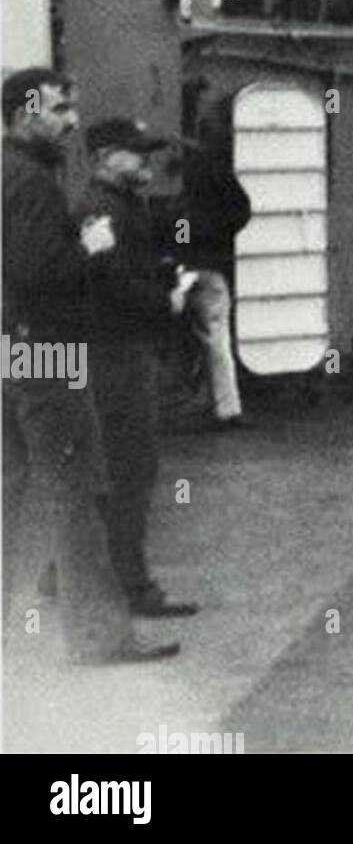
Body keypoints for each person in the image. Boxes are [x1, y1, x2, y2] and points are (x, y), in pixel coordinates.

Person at [2, 69, 179, 664]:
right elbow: (40, 273)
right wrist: (91, 248)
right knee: (75, 490)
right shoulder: (34, 183)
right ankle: (100, 638)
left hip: (11, 345)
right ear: (26, 113)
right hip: (50, 348)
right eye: (60, 109)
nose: (72, 120)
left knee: (8, 486)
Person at [77, 118, 200, 618]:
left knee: (117, 469)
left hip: (117, 353)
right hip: (117, 355)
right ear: (107, 157)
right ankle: (133, 589)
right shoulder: (101, 209)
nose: (147, 160)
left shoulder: (120, 205)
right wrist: (166, 301)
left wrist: (160, 271)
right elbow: (110, 286)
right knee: (130, 470)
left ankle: (66, 576)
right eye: (136, 153)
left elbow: (120, 272)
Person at [167, 110, 252, 429]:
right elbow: (242, 212)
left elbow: (176, 221)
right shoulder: (220, 174)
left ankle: (179, 396)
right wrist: (217, 236)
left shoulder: (177, 172)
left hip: (177, 262)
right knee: (216, 336)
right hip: (210, 263)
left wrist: (177, 243)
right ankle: (227, 406)